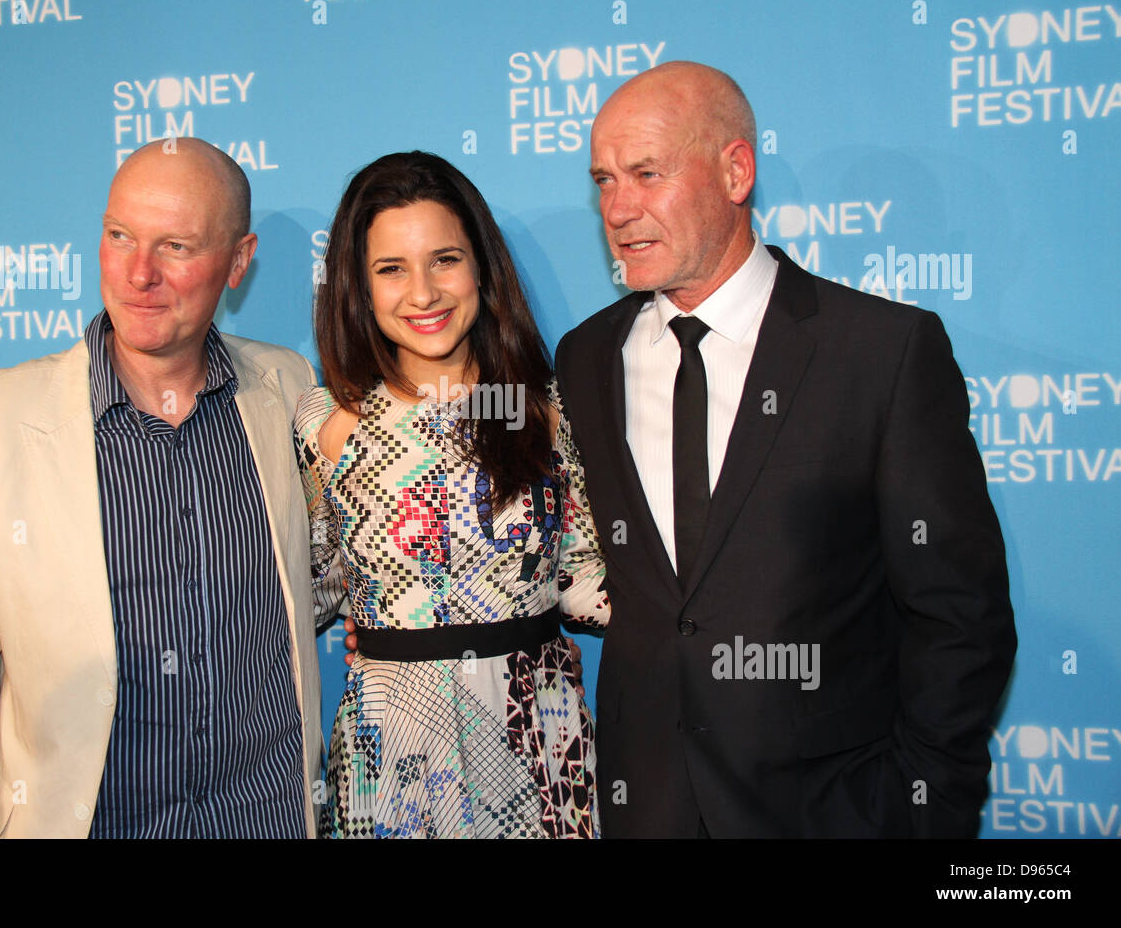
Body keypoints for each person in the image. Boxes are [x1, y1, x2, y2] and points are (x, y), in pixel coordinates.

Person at [554, 62, 1017, 838]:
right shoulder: (585, 358)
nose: (619, 209)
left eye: (647, 173)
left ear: (736, 171)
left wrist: (923, 806)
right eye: (603, 180)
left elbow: (960, 613)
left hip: (833, 812)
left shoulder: (880, 352)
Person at [0, 138, 322, 838]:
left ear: (239, 262)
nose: (138, 274)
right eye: (119, 235)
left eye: (177, 247)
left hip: (265, 820)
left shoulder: (288, 388)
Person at [296, 151, 608, 838]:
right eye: (391, 269)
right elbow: (309, 590)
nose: (423, 293)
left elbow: (586, 580)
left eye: (444, 260)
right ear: (357, 285)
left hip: (537, 734)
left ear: (482, 267)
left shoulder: (546, 410)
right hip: (391, 744)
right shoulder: (327, 423)